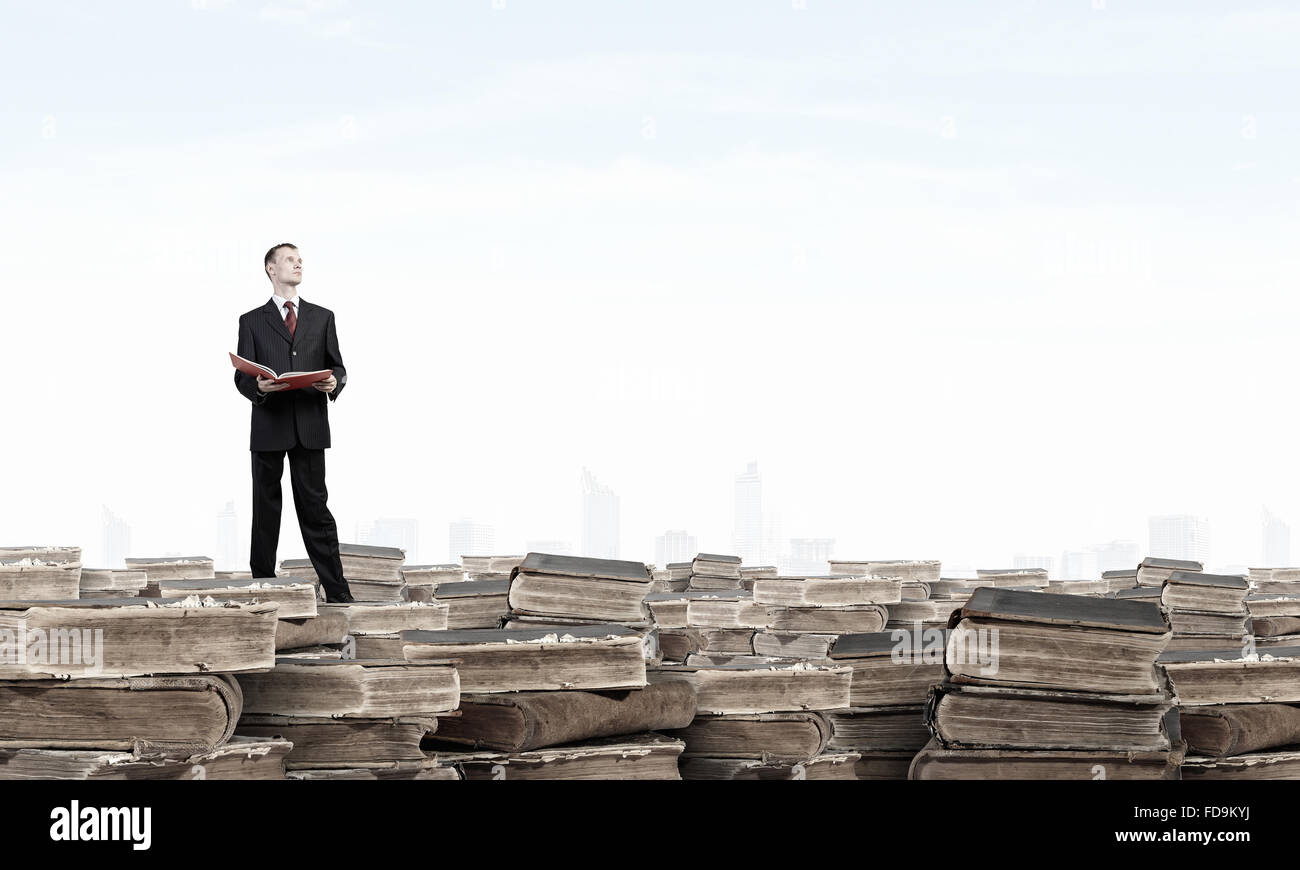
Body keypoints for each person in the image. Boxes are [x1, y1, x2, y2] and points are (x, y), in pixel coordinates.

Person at [233, 242, 354, 603]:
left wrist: (334, 382)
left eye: (300, 259)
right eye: (289, 258)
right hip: (269, 426)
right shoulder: (251, 321)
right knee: (265, 512)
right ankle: (263, 588)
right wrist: (258, 386)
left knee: (316, 510)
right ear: (271, 269)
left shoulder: (322, 317)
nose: (298, 262)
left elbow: (338, 366)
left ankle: (337, 591)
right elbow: (241, 377)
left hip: (310, 425)